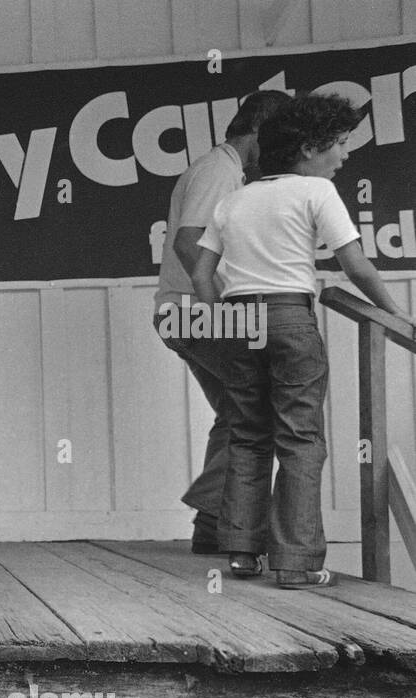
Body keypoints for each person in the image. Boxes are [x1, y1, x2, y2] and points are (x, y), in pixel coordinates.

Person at [192, 93, 414, 588]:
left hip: (238, 321)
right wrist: (398, 312)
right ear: (309, 148)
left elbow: (203, 270)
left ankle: (242, 553)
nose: (345, 155)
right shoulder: (316, 193)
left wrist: (218, 317)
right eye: (339, 143)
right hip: (290, 315)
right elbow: (354, 264)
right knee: (301, 437)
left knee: (248, 434)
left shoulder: (235, 198)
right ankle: (296, 561)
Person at [154, 90, 291, 553]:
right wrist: (224, 309)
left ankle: (213, 525)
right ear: (260, 131)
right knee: (261, 409)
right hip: (194, 311)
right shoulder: (219, 171)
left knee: (240, 411)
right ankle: (217, 515)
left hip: (185, 310)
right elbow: (189, 243)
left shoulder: (223, 170)